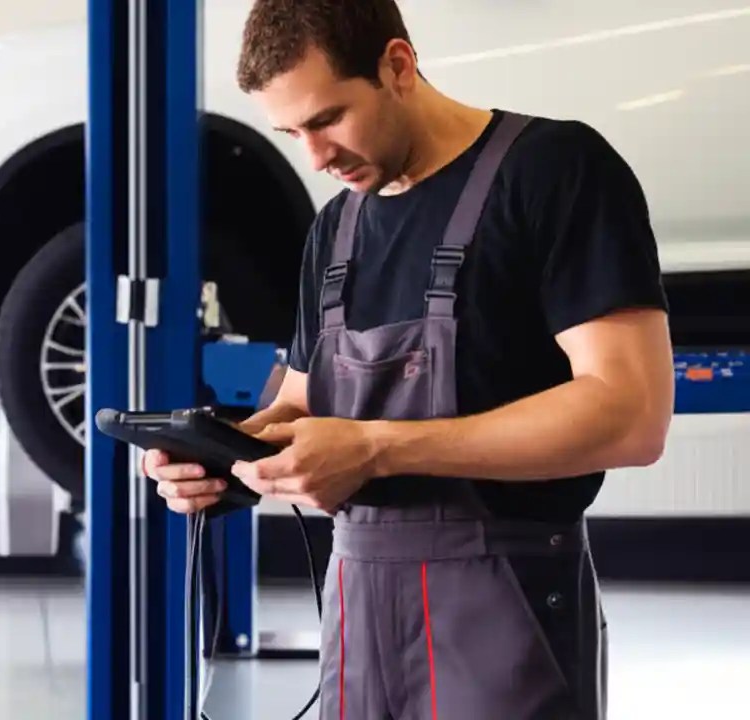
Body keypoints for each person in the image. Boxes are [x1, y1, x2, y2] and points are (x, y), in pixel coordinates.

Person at [145, 1, 674, 718]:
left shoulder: (554, 172)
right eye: (292, 132)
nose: (316, 157)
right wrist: (230, 459)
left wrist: (372, 449)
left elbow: (631, 415)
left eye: (328, 119)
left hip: (506, 616)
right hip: (357, 616)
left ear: (398, 64)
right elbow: (305, 405)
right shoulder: (335, 229)